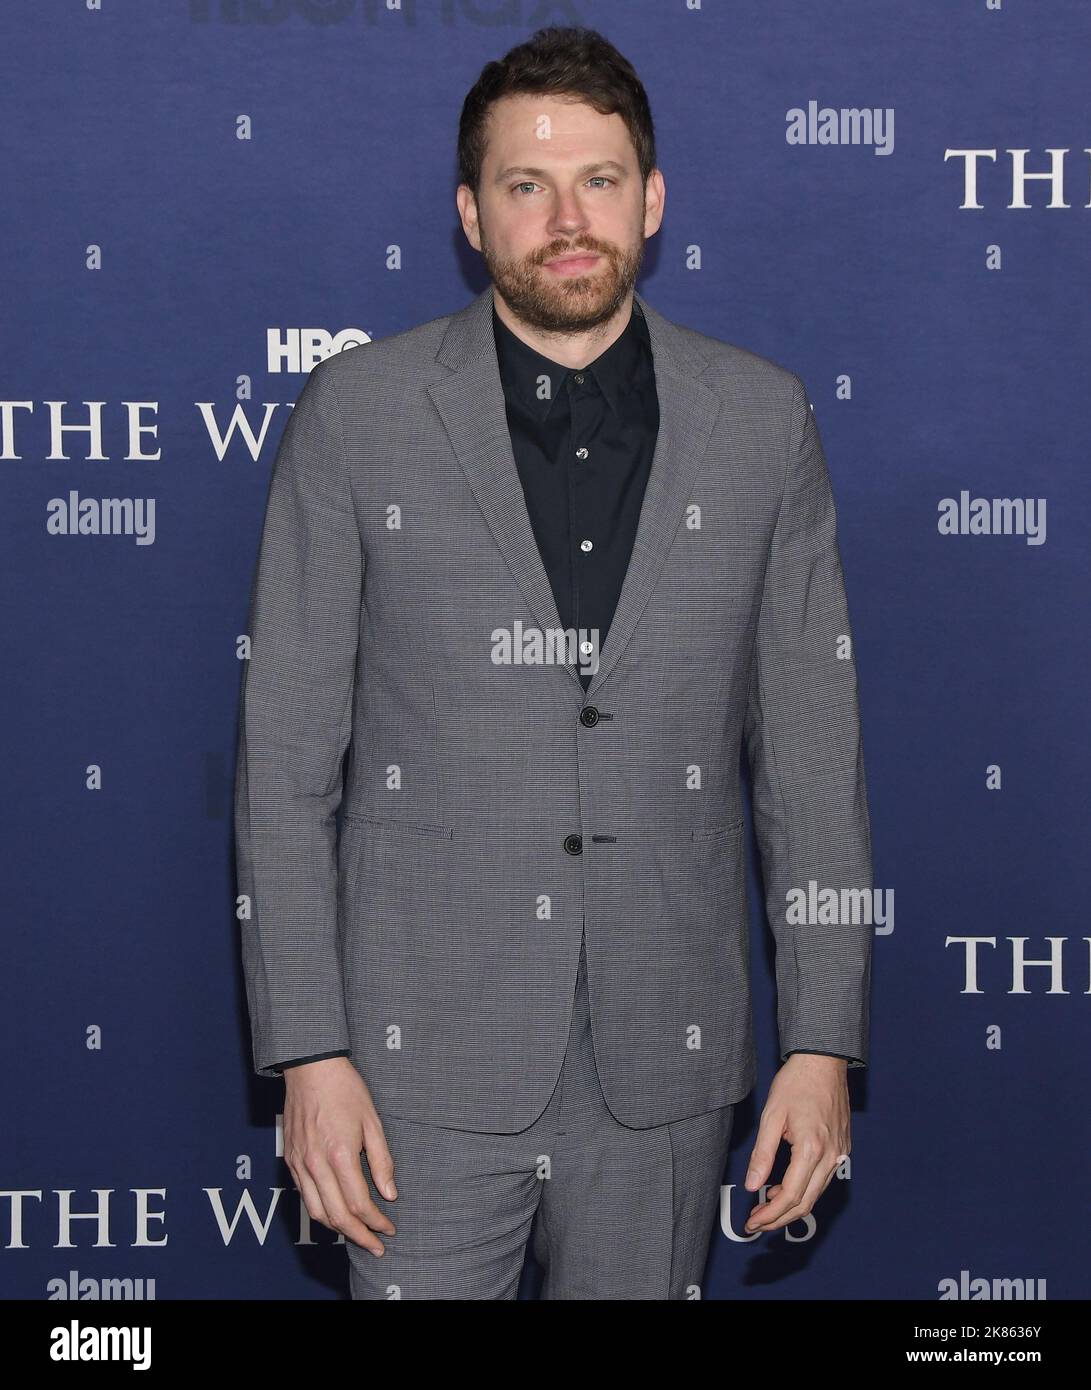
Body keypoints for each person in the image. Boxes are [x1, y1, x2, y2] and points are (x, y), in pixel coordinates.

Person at [233, 24, 873, 1300]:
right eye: (526, 185)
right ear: (472, 215)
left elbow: (808, 755)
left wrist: (819, 1040)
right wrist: (309, 1053)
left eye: (597, 179)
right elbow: (286, 761)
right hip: (416, 1075)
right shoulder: (356, 416)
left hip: (665, 1071)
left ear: (652, 199)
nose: (566, 217)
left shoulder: (761, 421)